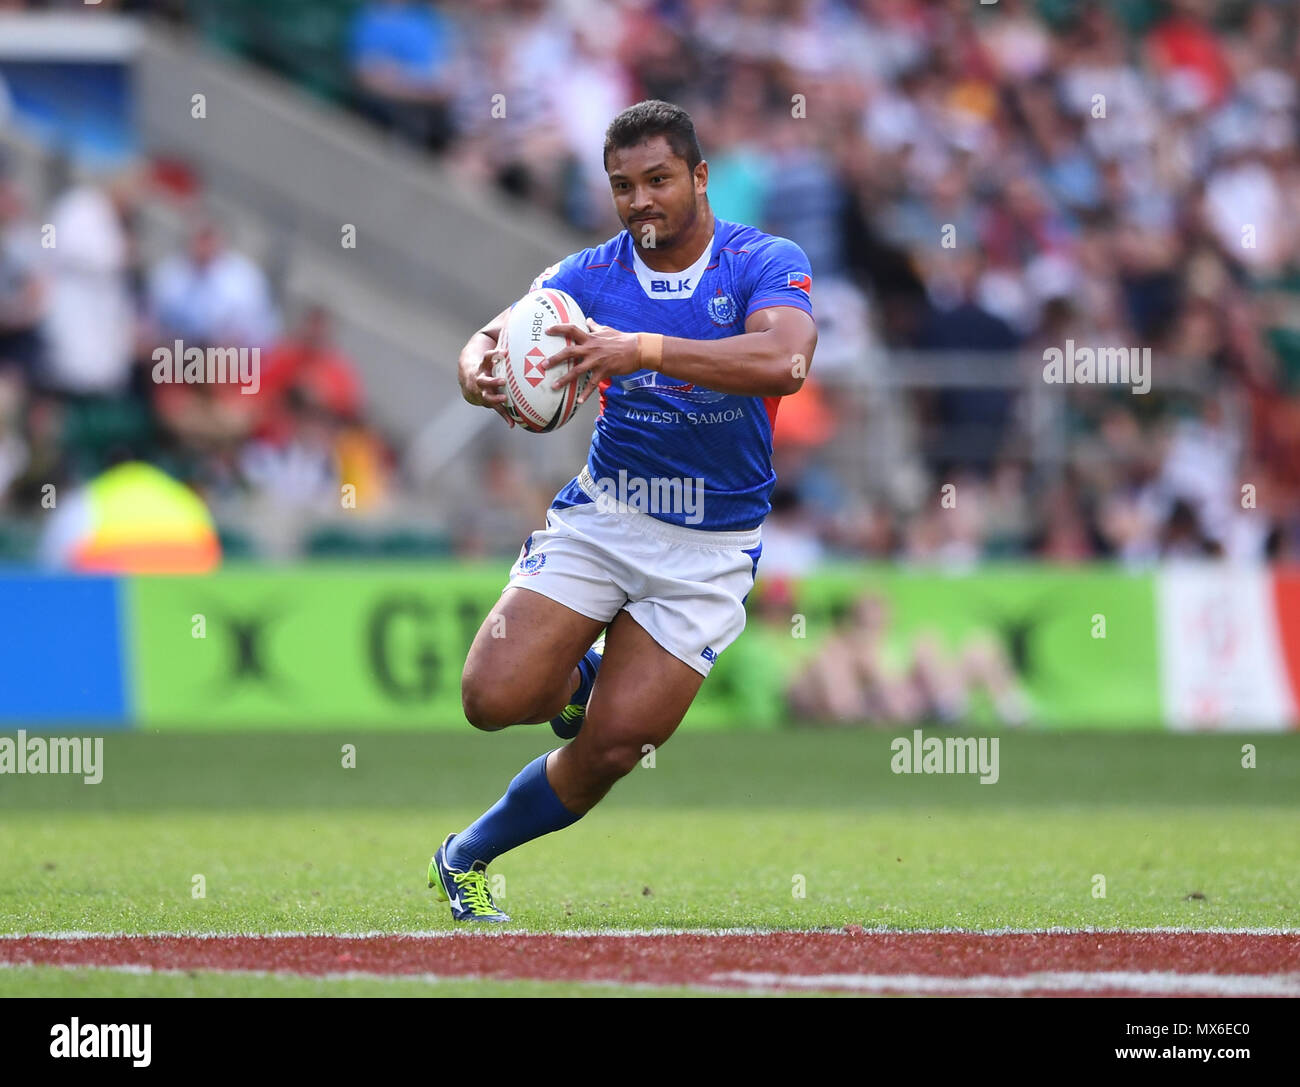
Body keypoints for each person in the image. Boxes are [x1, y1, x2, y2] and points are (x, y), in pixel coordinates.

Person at [431, 99, 817, 921]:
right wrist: (476, 370)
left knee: (612, 746)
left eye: (658, 179)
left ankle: (468, 855)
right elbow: (490, 339)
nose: (640, 200)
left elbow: (785, 362)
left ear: (700, 176)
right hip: (607, 517)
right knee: (488, 698)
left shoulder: (761, 259)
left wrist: (637, 349)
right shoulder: (587, 277)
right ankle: (574, 683)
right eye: (622, 186)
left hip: (711, 547)